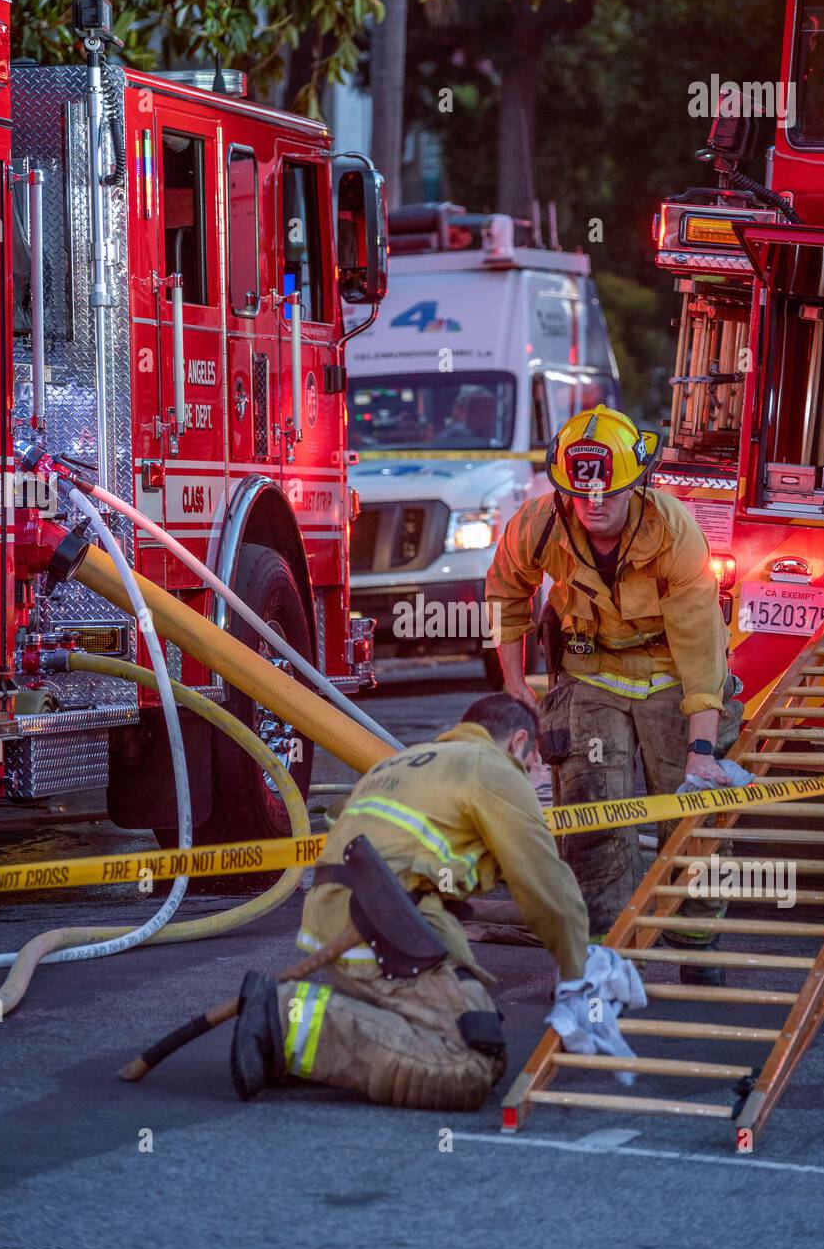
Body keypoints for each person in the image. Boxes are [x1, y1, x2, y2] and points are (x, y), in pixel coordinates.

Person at [229, 694, 593, 1110]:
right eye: (531, 766)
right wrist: (577, 974)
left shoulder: (407, 761)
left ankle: (308, 1035)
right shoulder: (491, 767)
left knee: (483, 1040)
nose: (530, 777)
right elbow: (547, 884)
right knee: (468, 1069)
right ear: (519, 742)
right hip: (379, 927)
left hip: (350, 920)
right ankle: (287, 1019)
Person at [485, 405, 740, 983]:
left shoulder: (674, 532)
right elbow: (504, 590)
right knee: (594, 814)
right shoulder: (537, 524)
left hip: (673, 673)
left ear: (637, 483)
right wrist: (511, 679)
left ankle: (697, 948)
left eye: (610, 492)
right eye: (582, 494)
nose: (595, 503)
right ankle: (600, 958)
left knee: (692, 811)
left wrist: (702, 755)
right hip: (590, 672)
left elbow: (702, 652)